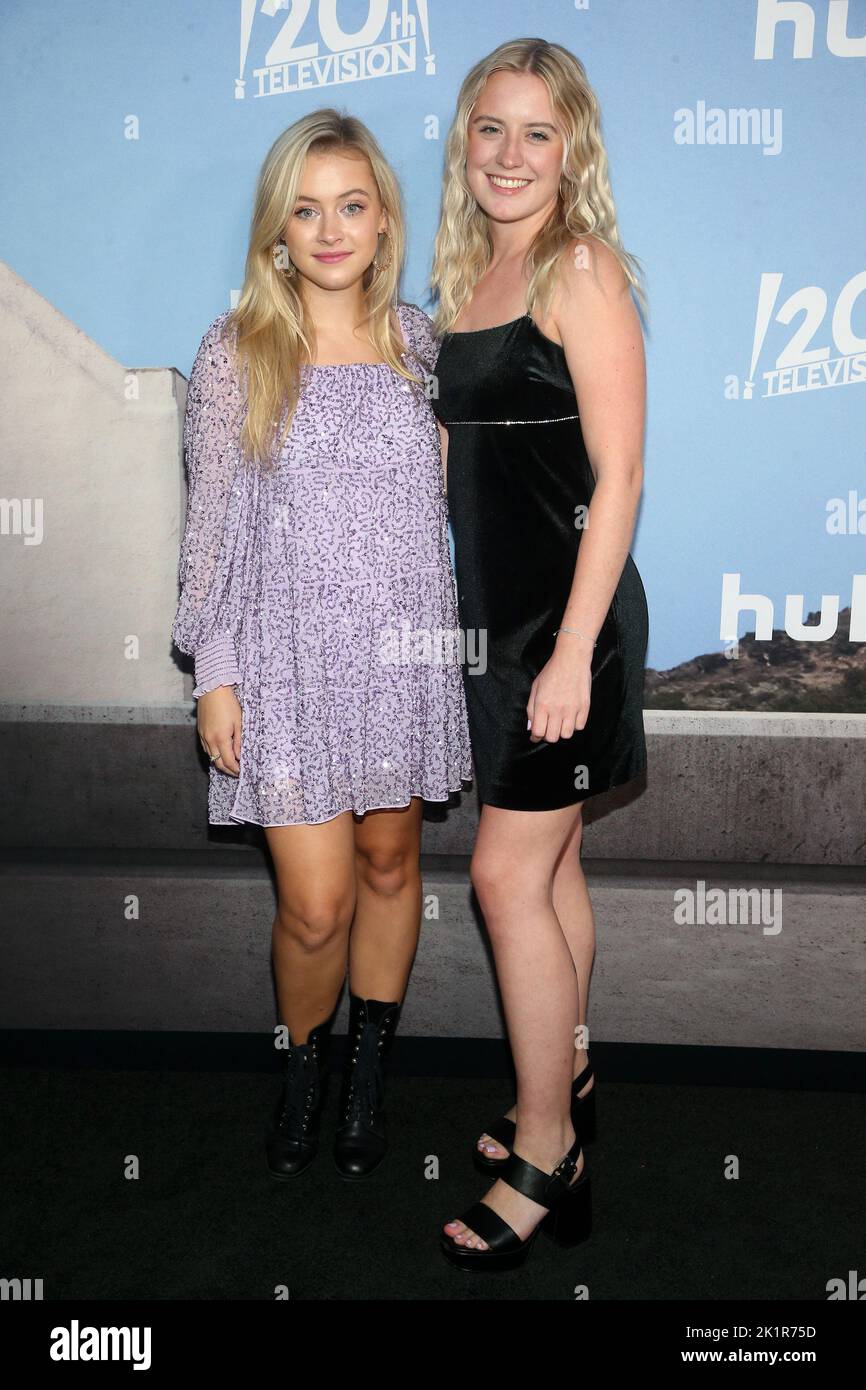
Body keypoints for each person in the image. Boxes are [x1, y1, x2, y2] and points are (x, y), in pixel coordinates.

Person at [171, 109, 472, 1182]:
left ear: (382, 217)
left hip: (400, 655)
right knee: (314, 903)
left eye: (350, 204)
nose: (330, 227)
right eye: (306, 208)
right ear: (277, 231)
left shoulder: (421, 346)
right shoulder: (235, 347)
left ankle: (367, 1079)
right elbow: (209, 529)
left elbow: (452, 503)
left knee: (392, 864)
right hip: (284, 659)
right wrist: (216, 675)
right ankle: (302, 1068)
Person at [429, 38, 650, 1271]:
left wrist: (568, 654)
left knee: (502, 882)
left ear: (571, 150)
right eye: (488, 130)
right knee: (552, 870)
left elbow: (616, 477)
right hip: (496, 634)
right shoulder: (474, 272)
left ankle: (548, 1152)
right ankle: (559, 1080)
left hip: (565, 631)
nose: (509, 157)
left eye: (535, 134)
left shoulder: (579, 267)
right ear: (463, 142)